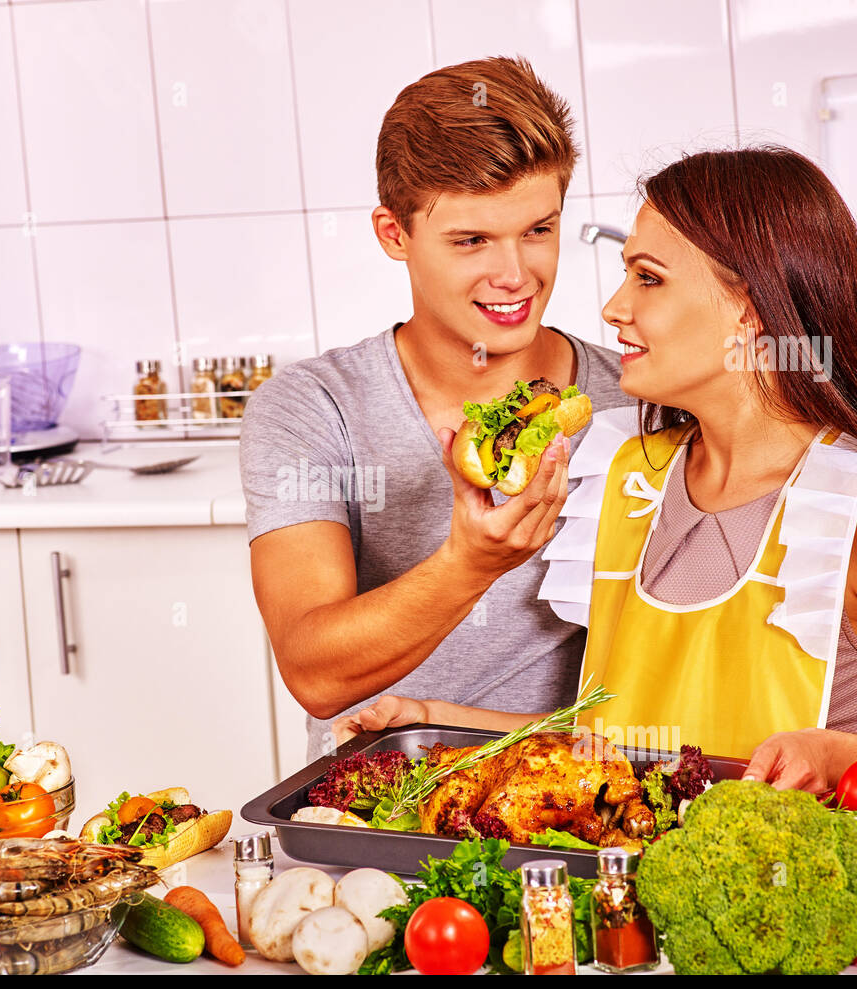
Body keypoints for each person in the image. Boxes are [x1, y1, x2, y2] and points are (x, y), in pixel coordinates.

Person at [335, 146, 857, 794]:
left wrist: (843, 759)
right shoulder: (625, 477)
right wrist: (436, 723)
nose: (614, 307)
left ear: (748, 309)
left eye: (647, 278)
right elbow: (621, 747)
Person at [239, 56, 634, 761]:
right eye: (472, 240)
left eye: (537, 231)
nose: (515, 275)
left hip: (579, 802)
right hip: (378, 808)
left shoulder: (633, 397)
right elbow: (313, 671)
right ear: (394, 234)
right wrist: (470, 562)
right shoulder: (311, 408)